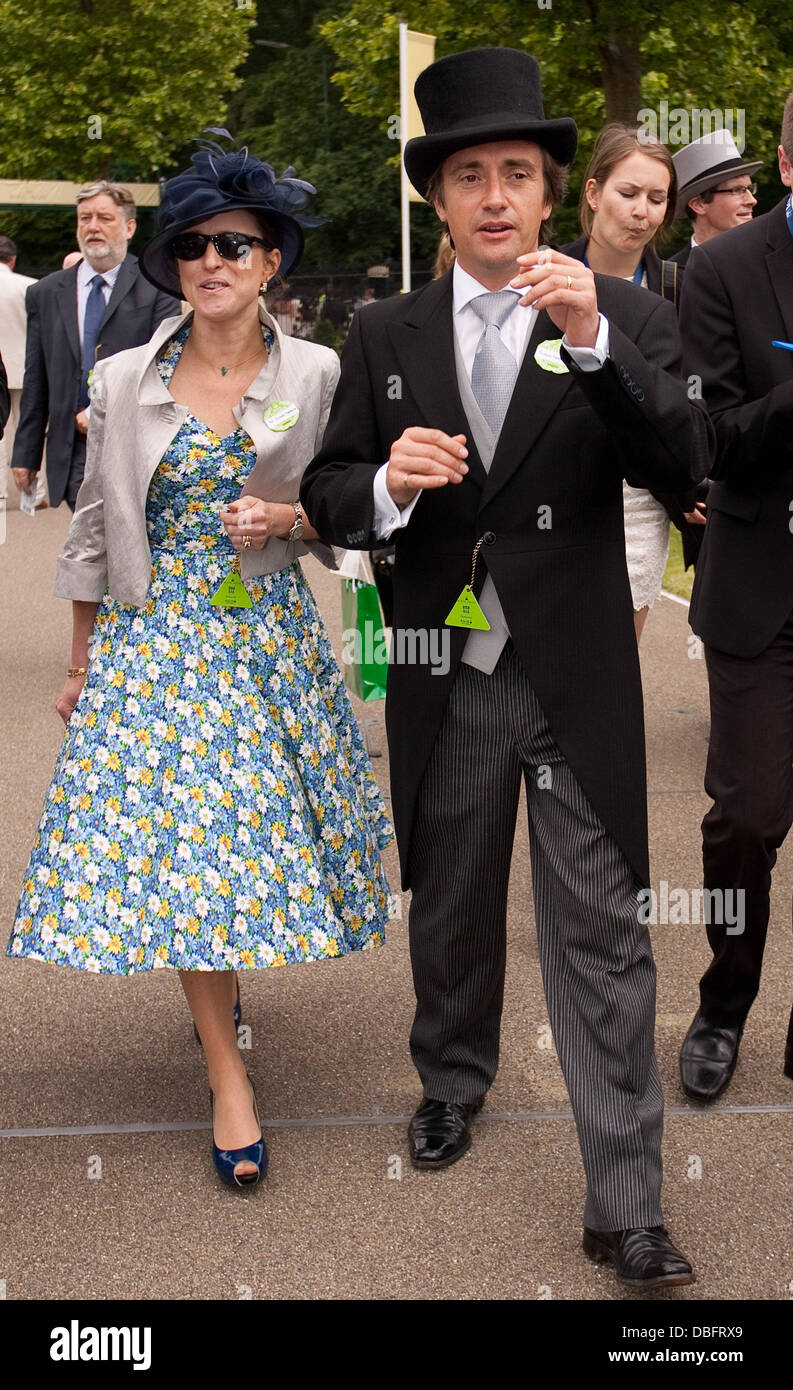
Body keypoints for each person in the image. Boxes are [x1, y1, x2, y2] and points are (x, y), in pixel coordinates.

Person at [302, 46, 713, 1288]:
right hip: (446, 663)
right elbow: (326, 493)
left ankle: (625, 1201)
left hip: (577, 669)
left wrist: (593, 342)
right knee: (454, 890)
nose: (493, 195)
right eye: (469, 174)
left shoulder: (623, 312)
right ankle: (452, 1076)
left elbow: (684, 466)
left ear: (549, 195)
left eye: (516, 174)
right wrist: (382, 483)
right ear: (439, 198)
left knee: (601, 933)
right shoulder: (384, 327)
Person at [7, 135, 393, 1189]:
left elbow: (344, 509)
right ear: (171, 261)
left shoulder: (317, 372)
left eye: (236, 244)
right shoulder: (126, 375)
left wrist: (289, 515)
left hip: (265, 633)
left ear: (272, 261)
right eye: (193, 246)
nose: (212, 261)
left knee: (244, 843)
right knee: (188, 854)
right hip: (153, 639)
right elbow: (92, 530)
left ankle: (224, 1015)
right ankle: (228, 1074)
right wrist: (81, 666)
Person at [677, 95, 793, 1103]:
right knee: (748, 814)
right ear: (790, 160)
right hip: (763, 581)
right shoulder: (720, 268)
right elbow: (709, 436)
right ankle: (722, 1000)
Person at [563, 124, 702, 636]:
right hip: (555, 488)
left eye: (657, 198)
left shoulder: (680, 289)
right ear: (595, 193)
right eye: (628, 193)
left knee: (614, 660)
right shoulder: (544, 273)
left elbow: (694, 398)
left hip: (641, 501)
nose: (643, 211)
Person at [11, 181, 181, 511]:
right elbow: (36, 378)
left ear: (129, 227)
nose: (92, 227)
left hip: (135, 444)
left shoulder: (157, 286)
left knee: (129, 544)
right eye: (84, 218)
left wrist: (99, 411)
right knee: (88, 546)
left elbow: (165, 363)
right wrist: (26, 454)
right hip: (73, 448)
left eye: (104, 218)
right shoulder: (45, 294)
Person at [669, 130, 761, 268]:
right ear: (698, 204)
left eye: (749, 189)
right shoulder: (669, 279)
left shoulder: (772, 262)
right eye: (737, 190)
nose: (752, 200)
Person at [0, 236, 46, 507]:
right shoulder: (30, 286)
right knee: (29, 428)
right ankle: (33, 494)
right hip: (27, 365)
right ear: (13, 259)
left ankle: (0, 492)